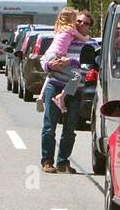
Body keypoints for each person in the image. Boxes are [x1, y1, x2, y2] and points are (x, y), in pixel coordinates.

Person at [39, 9, 93, 173]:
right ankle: (47, 161)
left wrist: (72, 61)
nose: (82, 25)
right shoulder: (64, 37)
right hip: (54, 84)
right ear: (74, 22)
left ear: (90, 27)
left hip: (76, 89)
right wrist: (50, 66)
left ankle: (63, 161)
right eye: (79, 21)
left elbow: (89, 64)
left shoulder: (91, 44)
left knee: (69, 129)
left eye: (86, 23)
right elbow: (44, 59)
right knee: (49, 126)